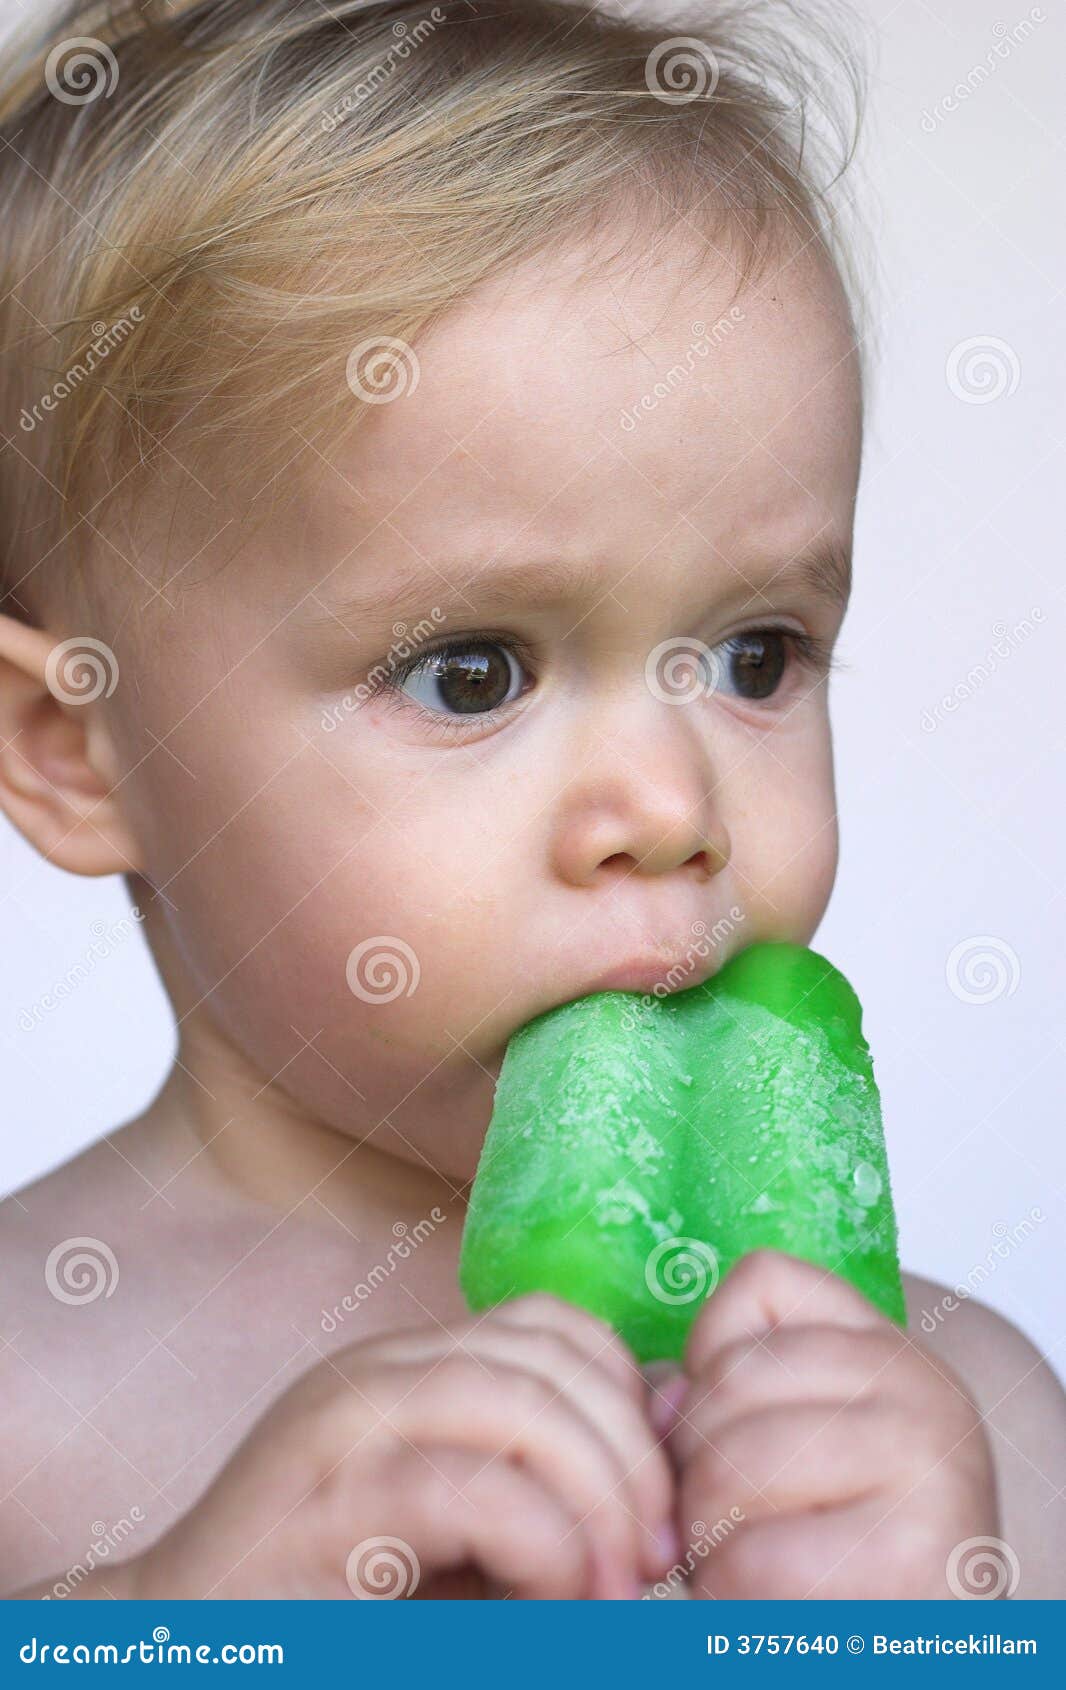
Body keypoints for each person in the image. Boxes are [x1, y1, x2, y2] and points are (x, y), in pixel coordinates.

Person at [0, 0, 1062, 1601]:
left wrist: (934, 1627)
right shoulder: (30, 1398)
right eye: (471, 672)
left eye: (757, 651)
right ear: (75, 749)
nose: (671, 803)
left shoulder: (963, 1409)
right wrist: (192, 1614)